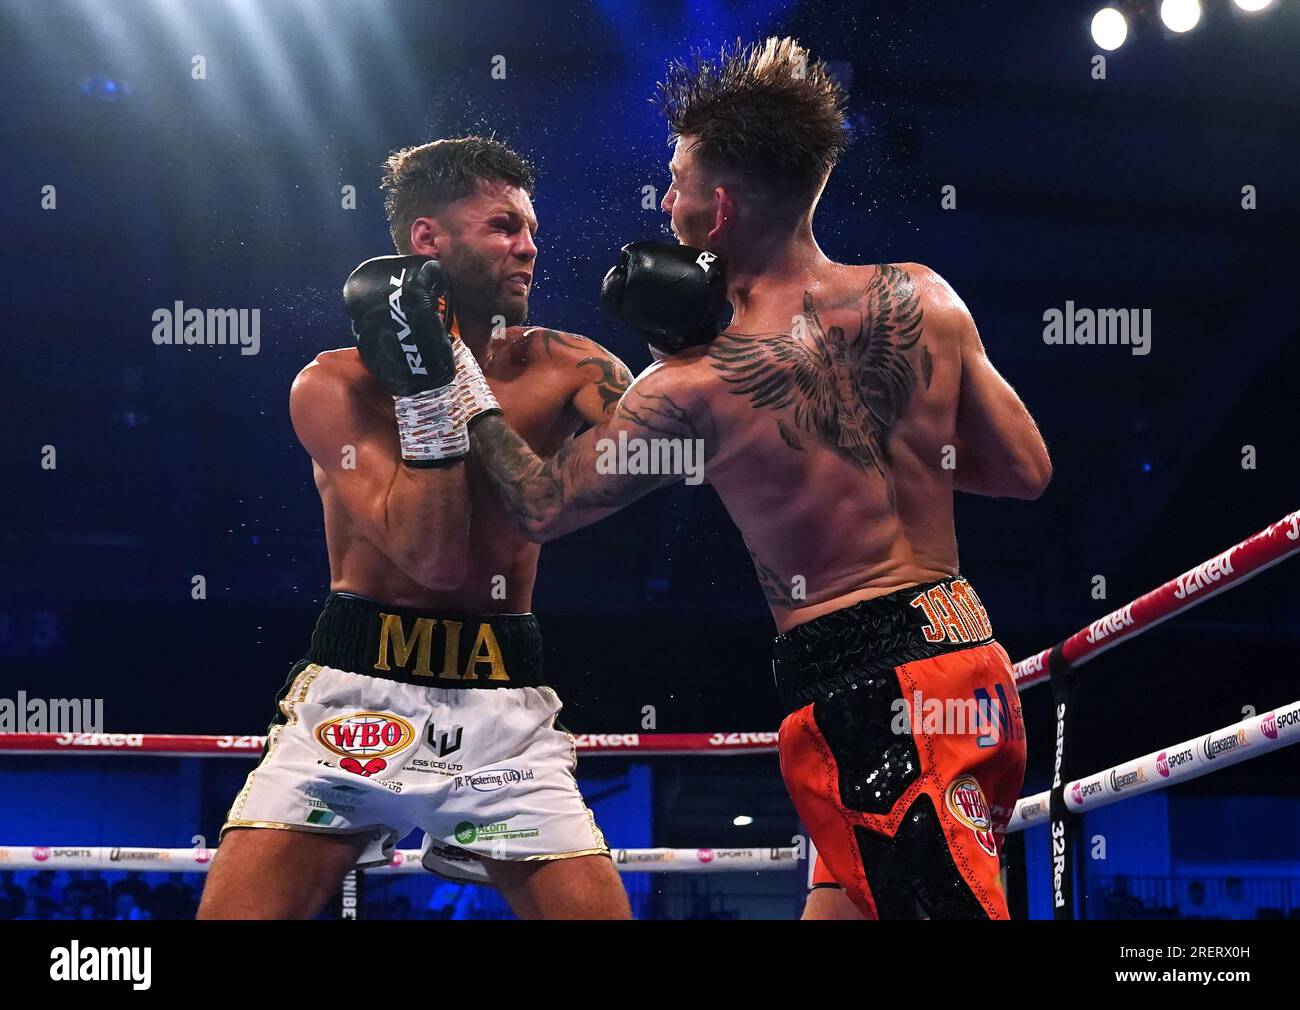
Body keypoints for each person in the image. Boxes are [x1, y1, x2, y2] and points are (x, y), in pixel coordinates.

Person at [461, 39, 1050, 919]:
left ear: (720, 207)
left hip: (871, 699)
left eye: (677, 180)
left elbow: (542, 503)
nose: (666, 201)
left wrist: (455, 384)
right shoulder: (926, 297)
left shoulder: (694, 383)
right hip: (971, 663)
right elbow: (1024, 472)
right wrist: (880, 451)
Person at [198, 137, 633, 920]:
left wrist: (701, 344)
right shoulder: (334, 384)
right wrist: (431, 384)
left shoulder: (570, 366)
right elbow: (432, 558)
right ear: (429, 238)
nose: (530, 247)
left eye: (532, 228)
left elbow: (672, 453)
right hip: (357, 695)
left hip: (505, 703)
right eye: (504, 226)